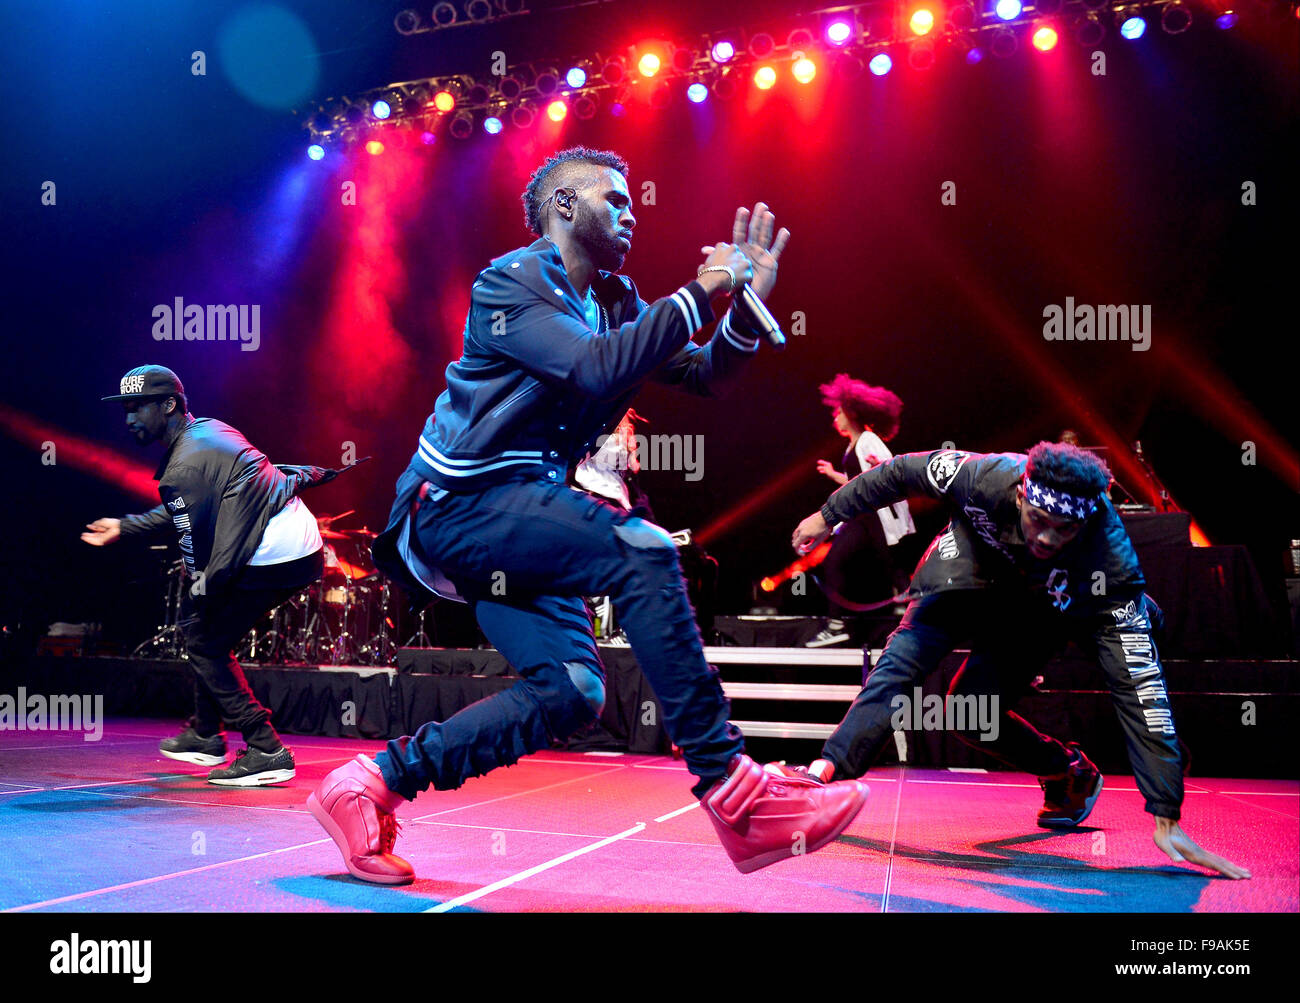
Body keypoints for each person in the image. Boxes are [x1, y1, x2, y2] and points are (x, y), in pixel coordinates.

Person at [307, 147, 868, 884]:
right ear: (565, 206)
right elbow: (596, 366)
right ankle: (735, 793)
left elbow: (703, 376)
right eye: (617, 200)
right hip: (457, 504)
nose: (633, 214)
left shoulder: (612, 298)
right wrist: (705, 287)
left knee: (574, 687)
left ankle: (369, 783)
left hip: (516, 514)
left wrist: (741, 310)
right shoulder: (509, 281)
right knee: (641, 548)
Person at [789, 441, 1250, 878]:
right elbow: (897, 471)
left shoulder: (1110, 561)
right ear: (1020, 494)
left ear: (1084, 524)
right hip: (966, 568)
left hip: (1039, 606)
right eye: (1038, 519)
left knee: (969, 715)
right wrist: (826, 515)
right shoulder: (982, 475)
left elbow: (1139, 688)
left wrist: (1166, 811)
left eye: (1063, 529)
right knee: (903, 660)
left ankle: (1065, 771)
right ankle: (822, 774)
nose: (1047, 536)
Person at [82, 365, 339, 786]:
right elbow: (191, 505)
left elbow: (193, 539)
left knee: (203, 639)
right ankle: (206, 734)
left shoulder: (184, 464)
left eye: (138, 407)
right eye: (125, 409)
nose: (129, 418)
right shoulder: (206, 430)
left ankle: (265, 749)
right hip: (292, 537)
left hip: (277, 549)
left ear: (168, 405)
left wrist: (199, 582)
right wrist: (125, 527)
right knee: (204, 630)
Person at [806, 374, 915, 647]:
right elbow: (856, 483)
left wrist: (881, 465)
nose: (835, 417)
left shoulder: (868, 439)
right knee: (842, 563)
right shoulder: (852, 446)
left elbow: (890, 469)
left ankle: (917, 620)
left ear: (851, 413)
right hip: (863, 516)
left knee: (893, 569)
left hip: (875, 516)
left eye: (839, 411)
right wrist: (833, 474)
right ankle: (837, 624)